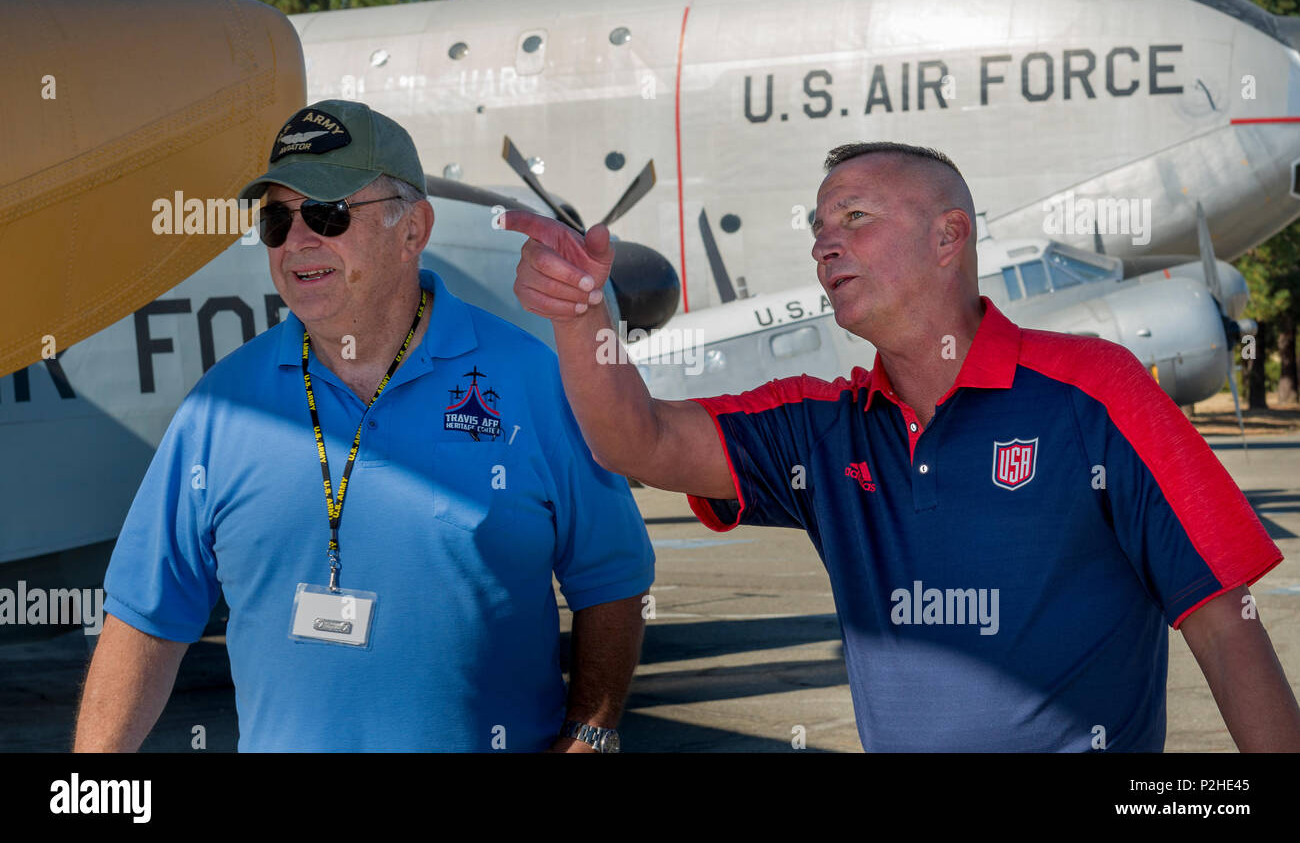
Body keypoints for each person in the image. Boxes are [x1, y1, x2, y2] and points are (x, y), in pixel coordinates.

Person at [505, 141, 1300, 752]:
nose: (824, 244)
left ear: (949, 237)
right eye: (818, 228)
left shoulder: (1098, 394)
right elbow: (635, 440)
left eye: (854, 218)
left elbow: (1230, 630)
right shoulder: (822, 428)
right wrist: (581, 317)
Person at [75, 100, 654, 753]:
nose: (297, 242)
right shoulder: (219, 409)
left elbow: (613, 579)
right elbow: (145, 618)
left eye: (329, 214)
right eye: (276, 220)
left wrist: (589, 735)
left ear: (414, 229)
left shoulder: (533, 384)